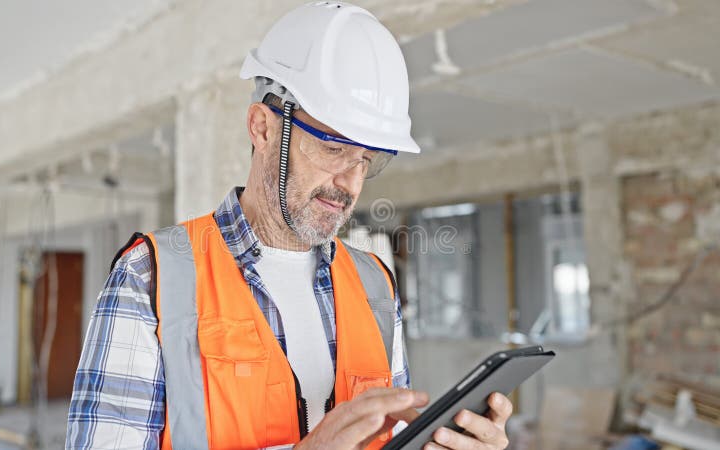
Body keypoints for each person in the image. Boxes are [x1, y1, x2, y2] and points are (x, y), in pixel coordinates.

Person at [66, 2, 513, 449]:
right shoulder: (152, 276)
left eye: (366, 160)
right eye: (333, 149)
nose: (351, 184)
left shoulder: (375, 284)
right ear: (262, 128)